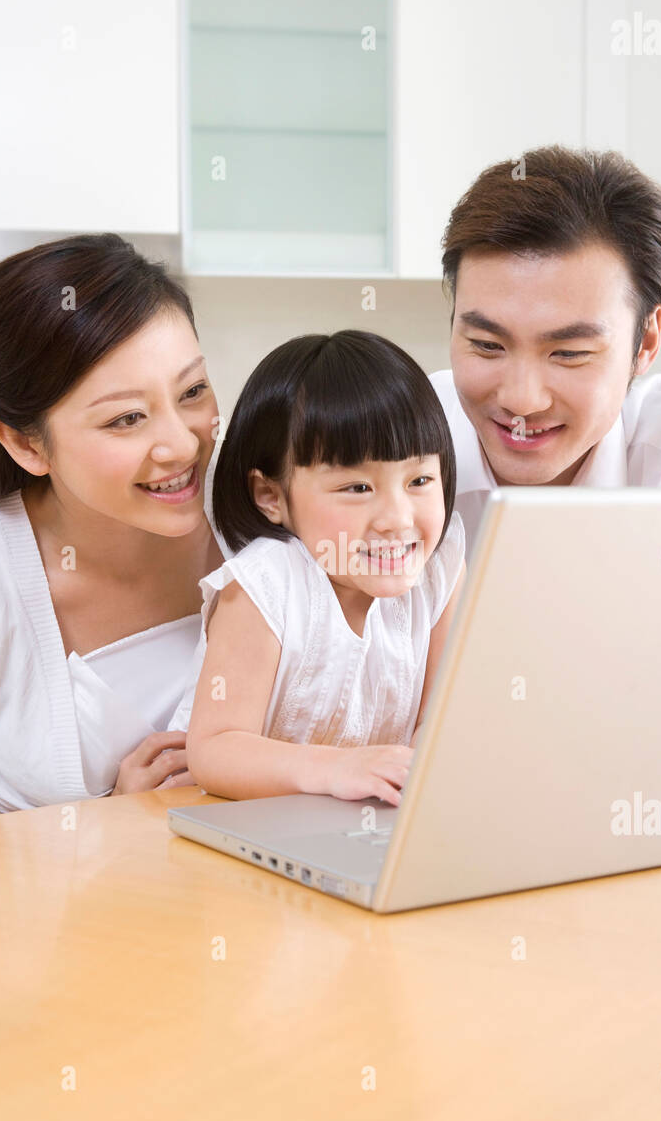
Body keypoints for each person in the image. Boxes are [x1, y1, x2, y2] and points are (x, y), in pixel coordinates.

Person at [0, 233, 224, 824]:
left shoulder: (273, 510)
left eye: (192, 391)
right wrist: (115, 824)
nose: (182, 443)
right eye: (126, 419)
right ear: (25, 443)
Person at [170, 330, 466, 807]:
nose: (397, 519)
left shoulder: (439, 568)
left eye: (419, 480)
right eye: (356, 488)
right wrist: (339, 768)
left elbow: (442, 715)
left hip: (354, 826)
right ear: (271, 496)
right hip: (236, 821)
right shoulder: (266, 585)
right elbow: (214, 750)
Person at [432, 146, 661, 554]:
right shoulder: (385, 440)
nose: (521, 400)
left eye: (568, 353)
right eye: (487, 345)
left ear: (646, 341)